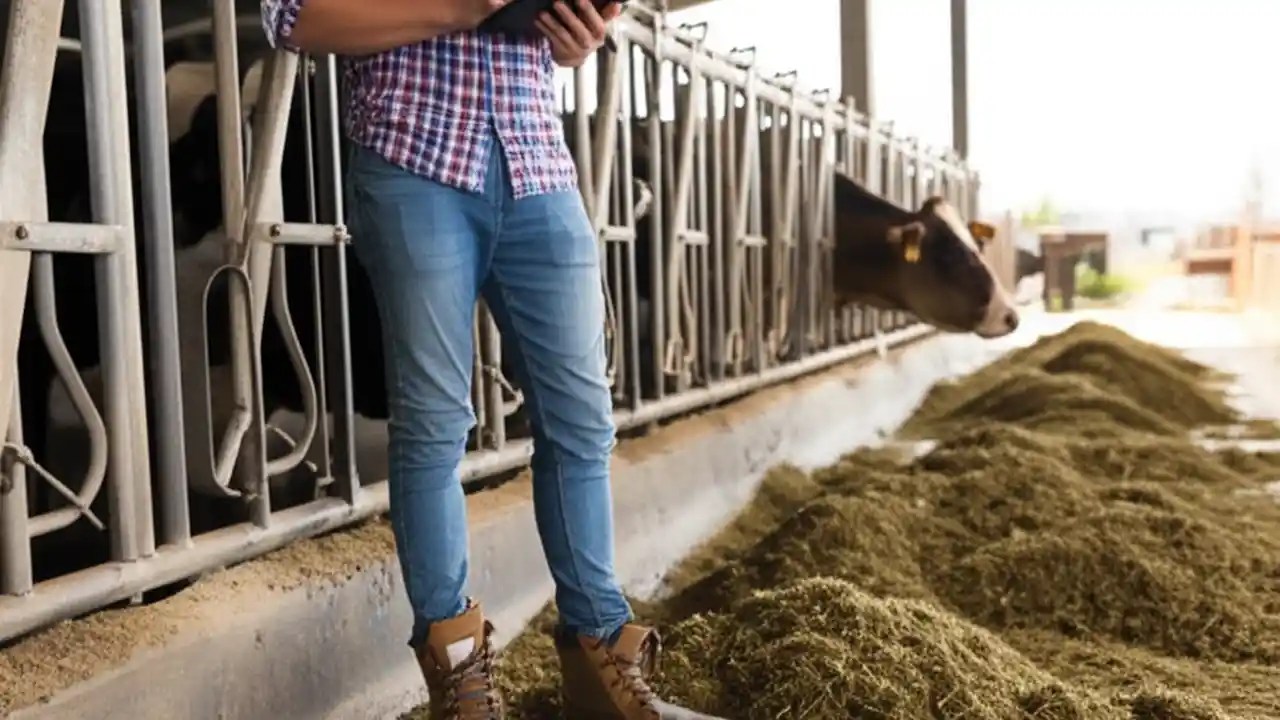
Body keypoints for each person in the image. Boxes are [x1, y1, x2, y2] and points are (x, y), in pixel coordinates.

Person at [259, 2, 720, 719]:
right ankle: (461, 681)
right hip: (416, 157)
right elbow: (292, 17)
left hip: (537, 160)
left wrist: (575, 38)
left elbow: (542, 39)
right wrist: (466, 7)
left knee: (583, 418)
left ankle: (601, 660)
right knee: (437, 419)